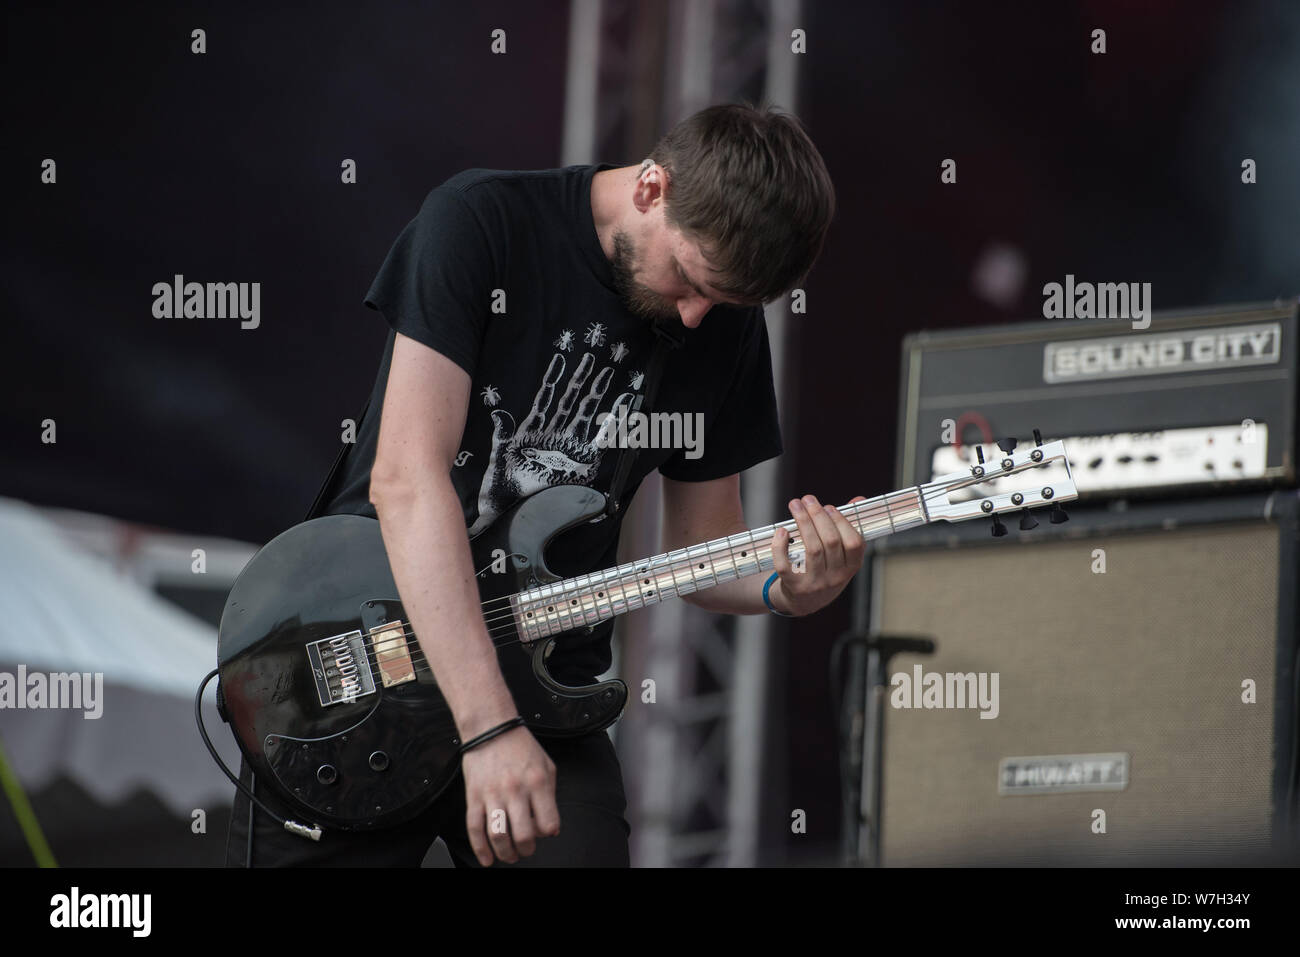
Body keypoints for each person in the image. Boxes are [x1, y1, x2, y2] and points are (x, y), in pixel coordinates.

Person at [225, 101, 862, 867]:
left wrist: (787, 587)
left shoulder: (724, 325)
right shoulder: (481, 222)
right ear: (652, 188)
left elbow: (702, 549)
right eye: (690, 279)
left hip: (545, 684)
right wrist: (487, 725)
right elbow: (406, 479)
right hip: (358, 656)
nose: (696, 317)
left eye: (723, 302)